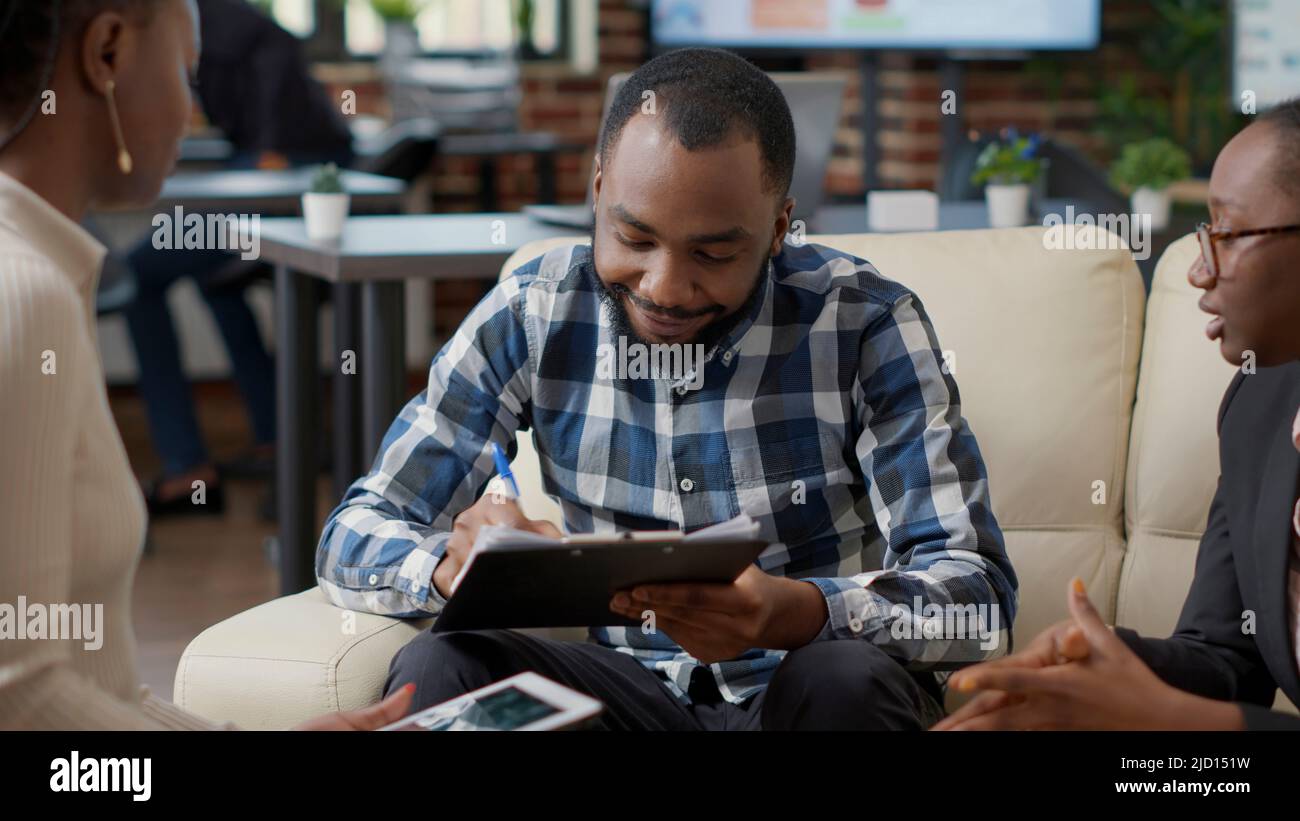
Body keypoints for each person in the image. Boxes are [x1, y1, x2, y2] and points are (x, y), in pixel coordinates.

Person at [317, 48, 1018, 731]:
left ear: (778, 229)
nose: (665, 288)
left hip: (798, 684)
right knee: (440, 665)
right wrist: (449, 567)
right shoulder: (533, 312)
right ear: (597, 193)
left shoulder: (864, 323)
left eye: (713, 253)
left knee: (845, 679)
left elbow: (979, 601)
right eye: (634, 237)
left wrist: (794, 611)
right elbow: (355, 529)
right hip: (619, 691)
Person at [0, 0, 407, 730]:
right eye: (186, 76)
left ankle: (233, 450)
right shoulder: (24, 294)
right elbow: (20, 701)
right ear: (107, 53)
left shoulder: (44, 275)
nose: (193, 111)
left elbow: (94, 690)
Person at [935, 98, 1300, 731]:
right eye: (1199, 234)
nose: (1195, 270)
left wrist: (1169, 722)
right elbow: (1226, 659)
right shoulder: (1256, 408)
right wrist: (1103, 665)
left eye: (1227, 233)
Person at [123, 0, 353, 517]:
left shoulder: (223, 36)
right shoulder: (229, 33)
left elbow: (268, 157)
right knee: (215, 281)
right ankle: (275, 438)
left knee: (137, 274)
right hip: (278, 185)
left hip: (289, 194)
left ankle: (188, 467)